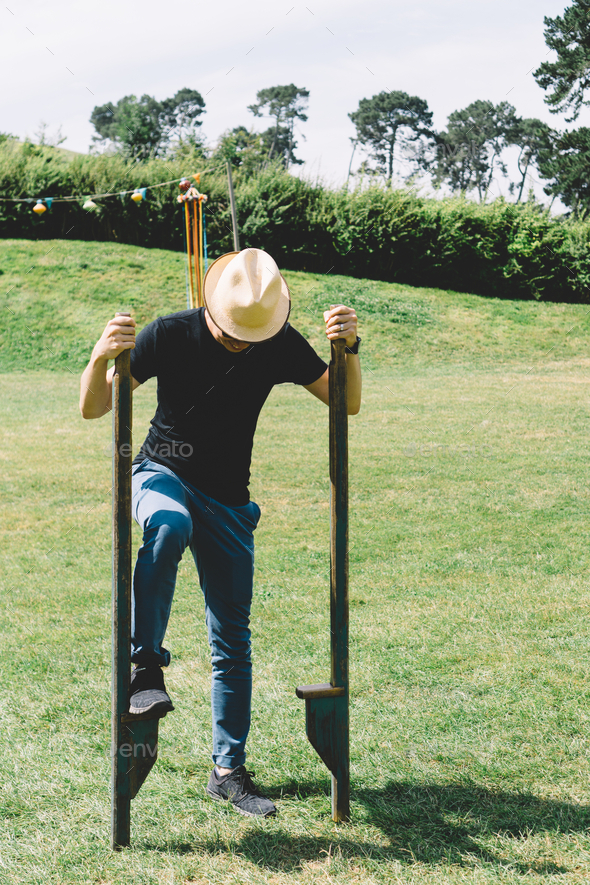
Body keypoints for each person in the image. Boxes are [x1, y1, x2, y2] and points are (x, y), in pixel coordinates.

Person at [80, 248, 362, 818]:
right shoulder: (169, 334)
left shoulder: (276, 340)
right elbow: (95, 407)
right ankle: (145, 666)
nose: (240, 342)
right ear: (212, 306)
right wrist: (99, 356)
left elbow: (345, 401)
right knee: (169, 524)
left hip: (230, 498)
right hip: (162, 470)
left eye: (249, 334)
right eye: (233, 330)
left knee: (232, 638)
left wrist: (350, 351)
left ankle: (228, 771)